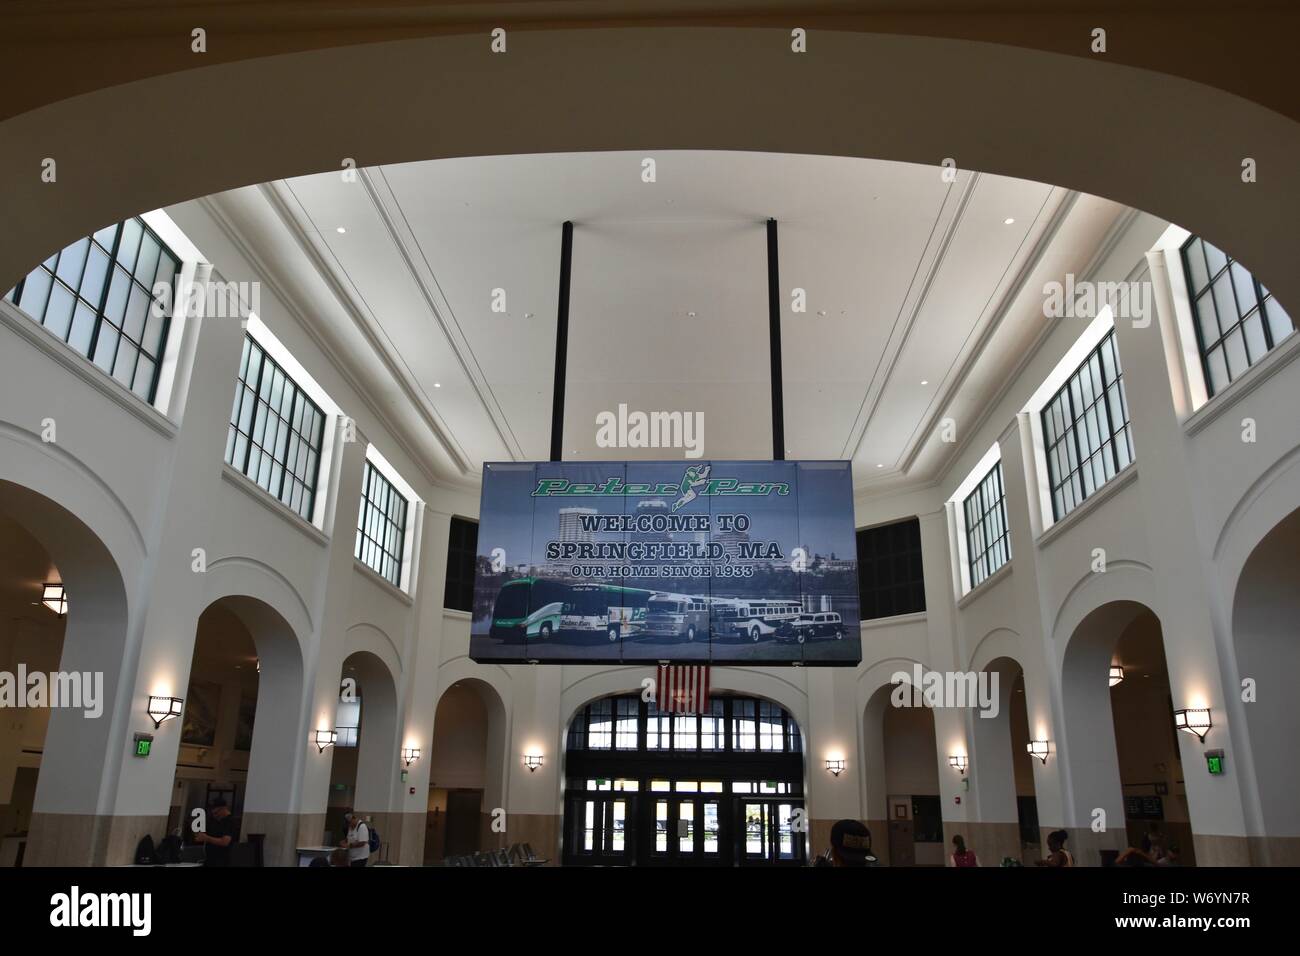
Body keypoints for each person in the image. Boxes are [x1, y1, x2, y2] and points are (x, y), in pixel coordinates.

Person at [193, 798, 236, 867]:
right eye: (212, 811)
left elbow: (225, 842)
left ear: (224, 808)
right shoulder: (214, 821)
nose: (214, 813)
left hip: (221, 861)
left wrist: (206, 838)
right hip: (210, 860)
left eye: (216, 812)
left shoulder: (229, 822)